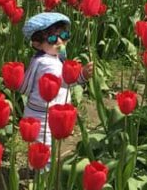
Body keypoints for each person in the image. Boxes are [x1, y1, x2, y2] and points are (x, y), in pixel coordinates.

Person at [18, 12, 94, 145]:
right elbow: (61, 81)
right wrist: (81, 75)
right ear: (37, 44)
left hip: (42, 111)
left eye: (64, 36)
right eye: (52, 39)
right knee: (45, 148)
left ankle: (36, 165)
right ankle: (41, 166)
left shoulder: (49, 57)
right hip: (43, 115)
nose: (60, 41)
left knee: (42, 148)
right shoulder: (46, 64)